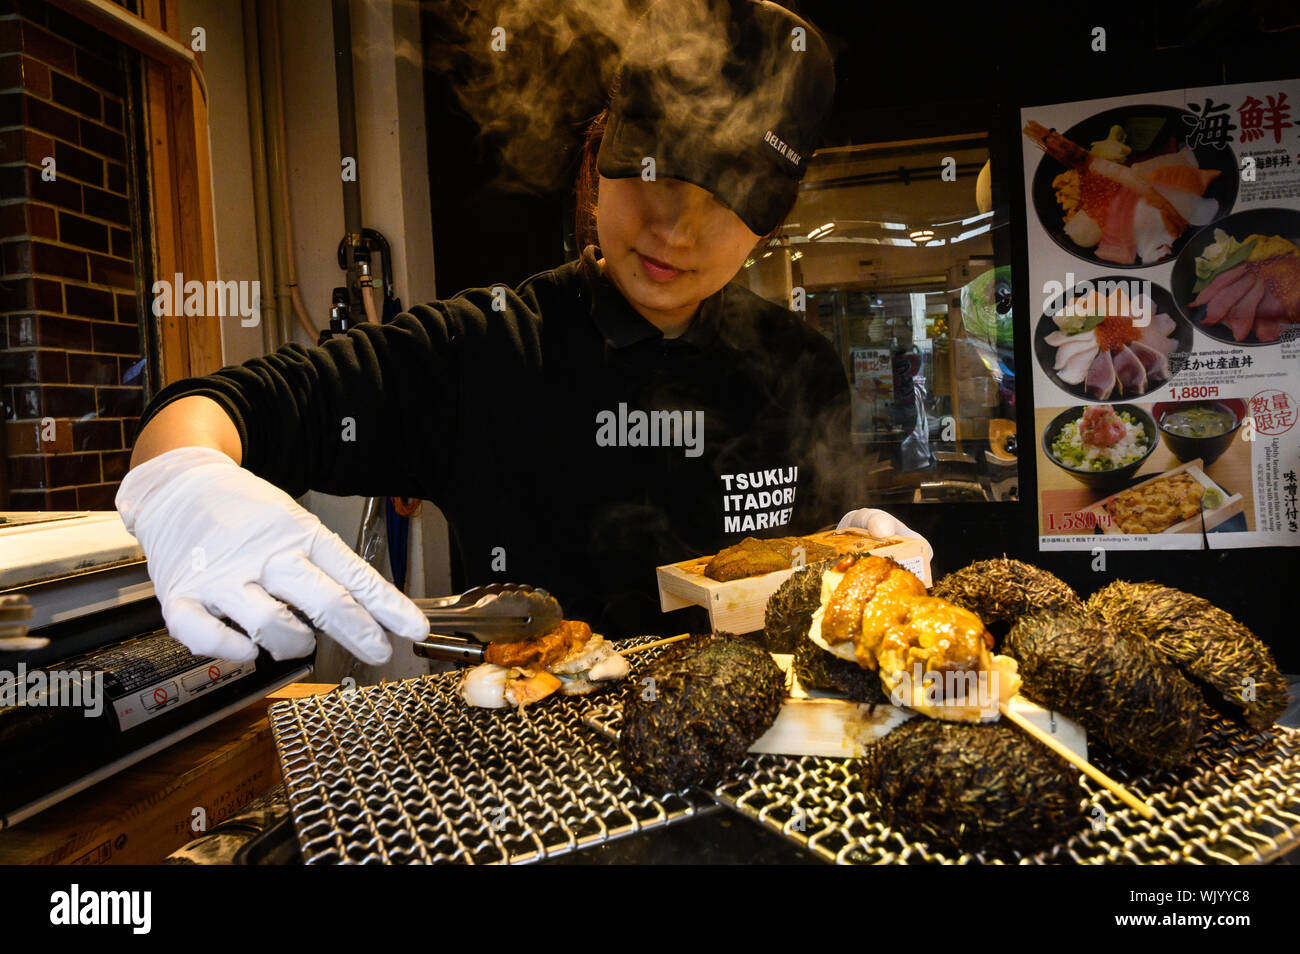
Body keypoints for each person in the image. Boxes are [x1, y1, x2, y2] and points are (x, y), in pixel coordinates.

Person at [115, 0, 930, 667]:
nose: (677, 230)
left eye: (725, 199)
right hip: (526, 798)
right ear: (600, 157)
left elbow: (818, 585)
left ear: (768, 224)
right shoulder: (486, 347)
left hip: (751, 773)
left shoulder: (801, 367)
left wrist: (865, 564)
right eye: (656, 173)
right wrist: (182, 484)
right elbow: (220, 407)